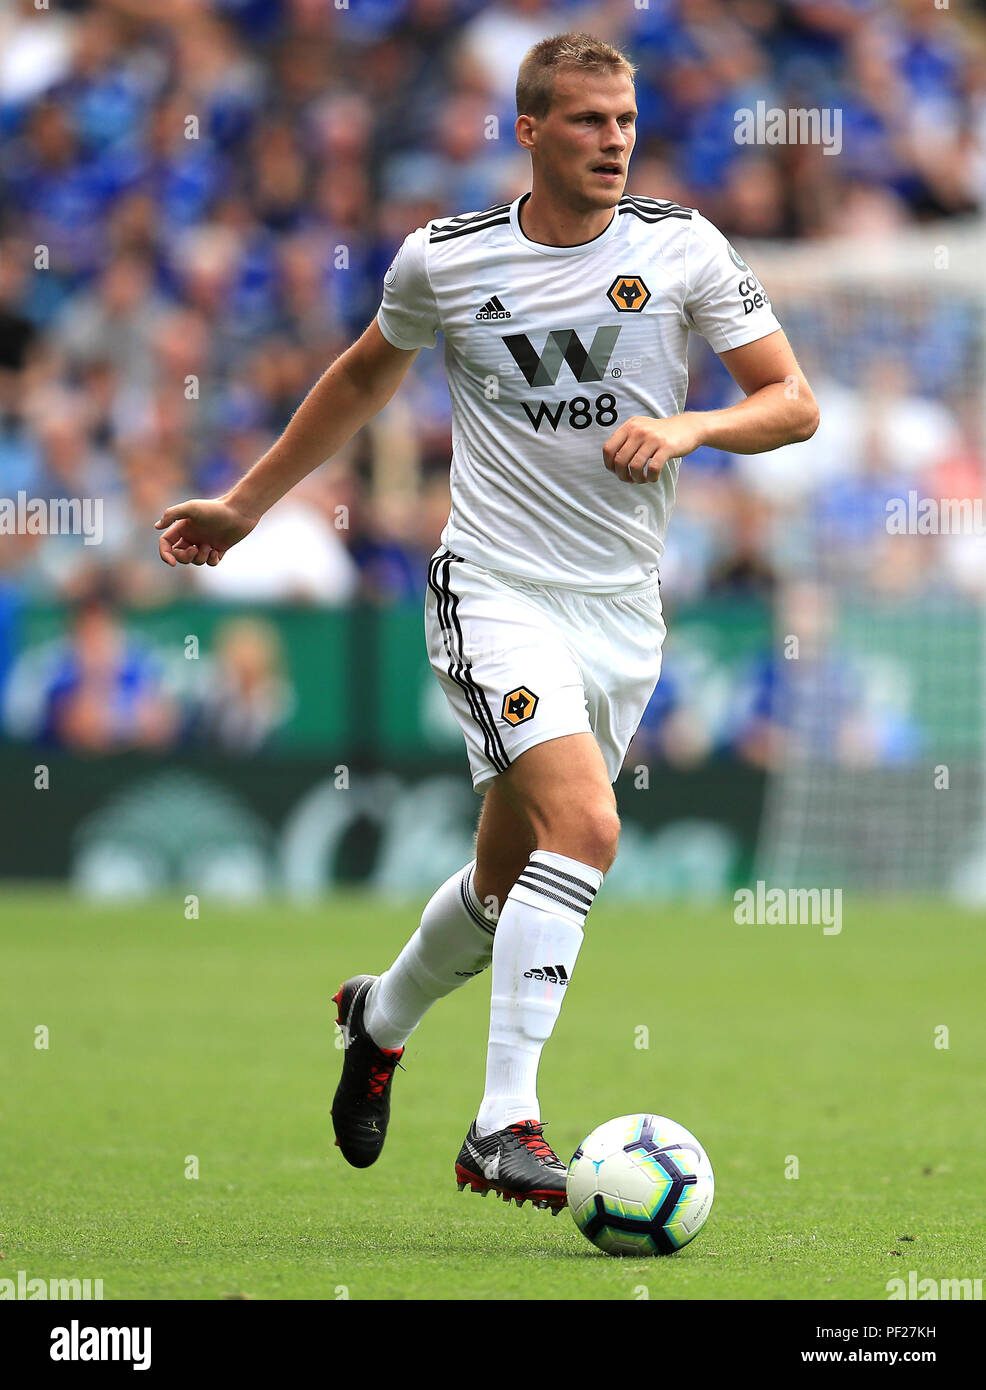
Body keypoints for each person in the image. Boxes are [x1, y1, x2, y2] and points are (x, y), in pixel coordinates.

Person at [155, 32, 818, 1214]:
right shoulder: (445, 260)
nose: (613, 139)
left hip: (622, 610)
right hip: (493, 587)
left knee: (505, 878)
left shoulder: (679, 248)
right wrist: (247, 508)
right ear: (527, 130)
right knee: (588, 824)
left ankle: (380, 1015)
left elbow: (790, 401)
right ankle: (501, 1121)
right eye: (584, 121)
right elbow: (364, 374)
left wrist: (687, 429)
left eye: (623, 119)